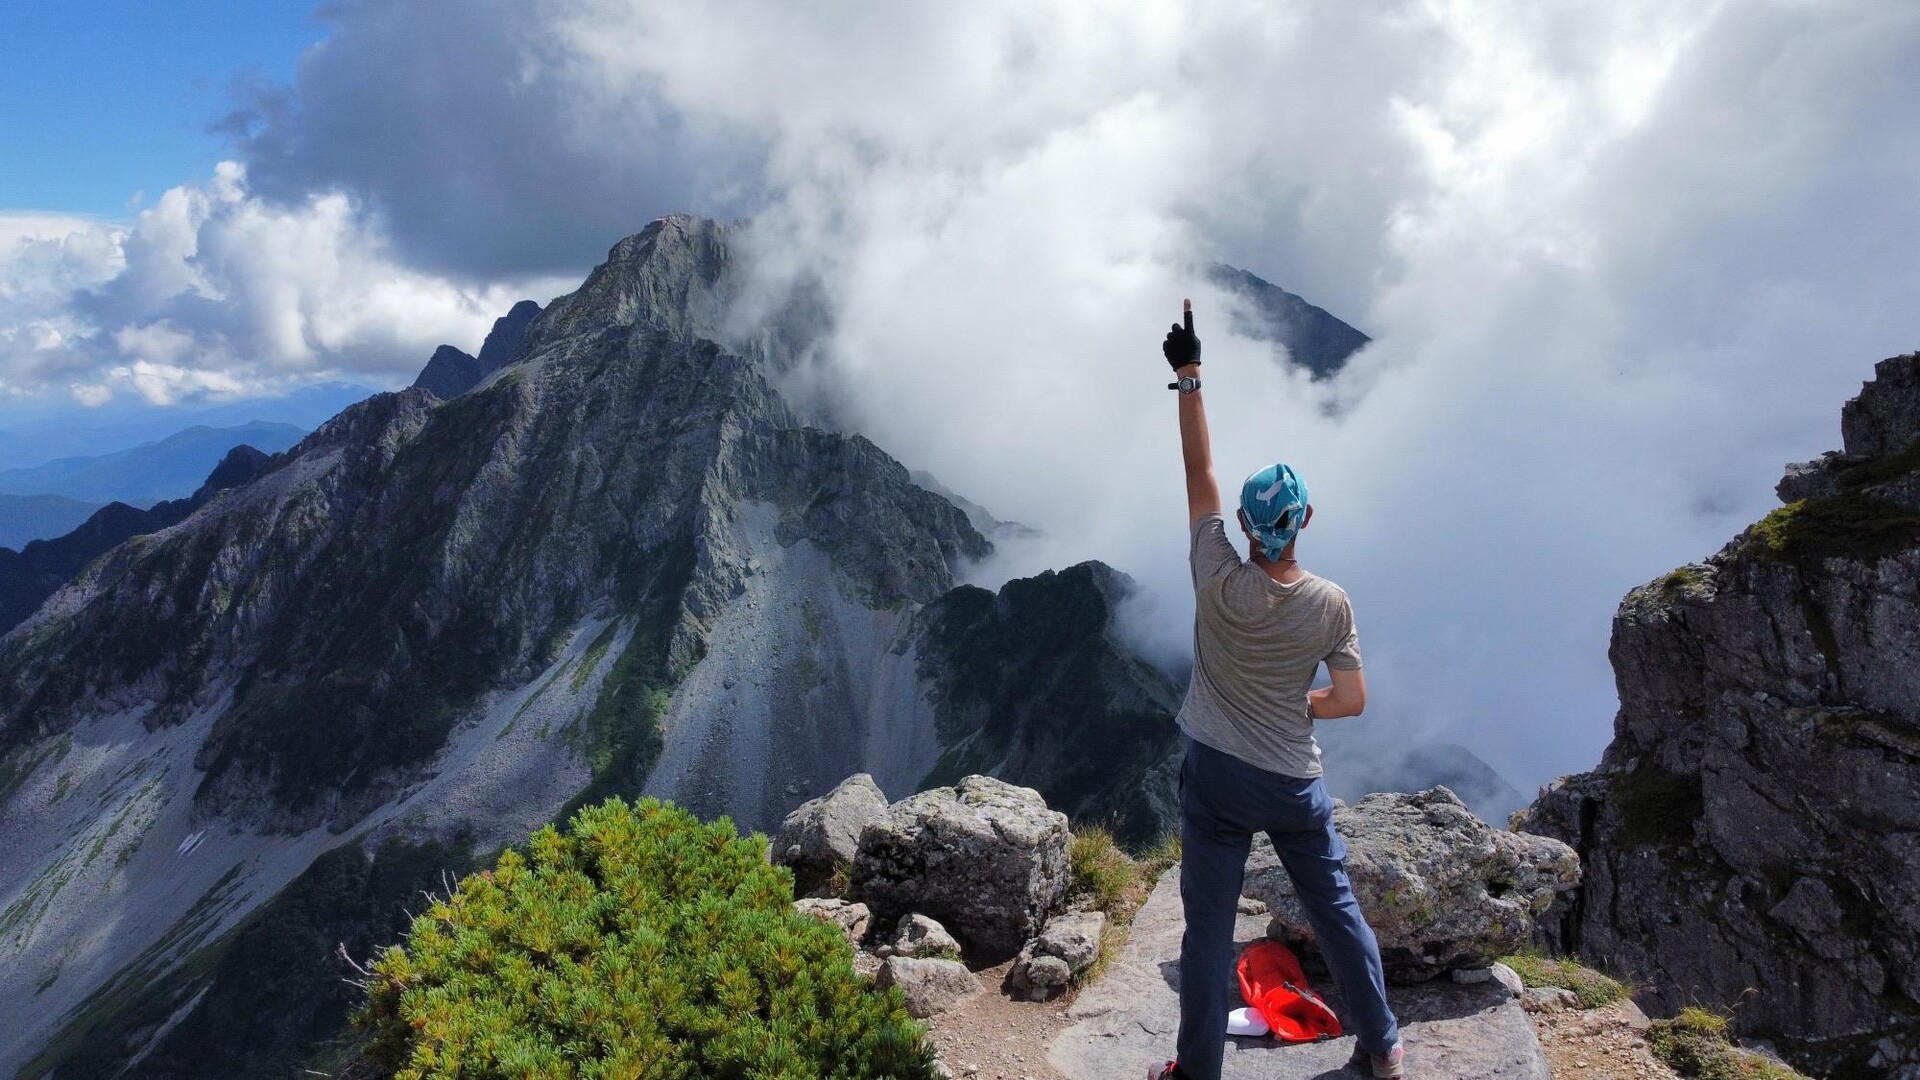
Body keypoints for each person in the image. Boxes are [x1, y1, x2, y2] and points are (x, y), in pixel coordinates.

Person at [1150, 300, 1405, 1080]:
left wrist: (1190, 379)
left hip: (1218, 778)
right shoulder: (1330, 603)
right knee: (1336, 913)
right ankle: (1383, 1051)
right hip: (1294, 781)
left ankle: (1196, 1074)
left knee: (1206, 932)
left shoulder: (1215, 575)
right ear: (1304, 523)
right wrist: (1304, 706)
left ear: (1248, 528)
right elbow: (1351, 700)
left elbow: (1200, 475)